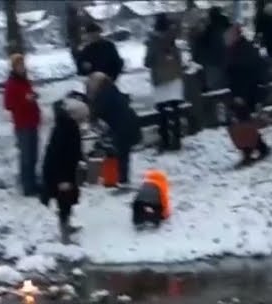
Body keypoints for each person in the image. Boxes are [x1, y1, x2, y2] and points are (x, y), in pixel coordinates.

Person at [40, 97, 88, 241]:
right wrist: (62, 179)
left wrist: (81, 158)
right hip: (60, 172)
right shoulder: (66, 128)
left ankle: (67, 225)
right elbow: (58, 155)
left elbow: (73, 149)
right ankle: (64, 230)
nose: (85, 120)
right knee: (64, 200)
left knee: (69, 198)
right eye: (83, 117)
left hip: (66, 169)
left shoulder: (68, 125)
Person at [225, 26, 271, 164]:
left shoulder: (243, 50)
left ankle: (252, 150)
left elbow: (246, 74)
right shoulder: (234, 50)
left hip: (247, 91)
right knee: (243, 122)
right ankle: (257, 149)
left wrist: (241, 95)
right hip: (240, 91)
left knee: (243, 122)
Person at [88, 72, 140, 188]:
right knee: (121, 152)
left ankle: (117, 179)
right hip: (127, 123)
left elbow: (97, 111)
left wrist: (92, 115)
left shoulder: (104, 94)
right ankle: (119, 178)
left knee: (116, 151)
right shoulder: (111, 90)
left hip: (121, 126)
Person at [3, 53, 42, 197]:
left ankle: (33, 182)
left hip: (32, 121)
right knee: (26, 156)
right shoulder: (11, 83)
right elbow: (8, 104)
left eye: (23, 64)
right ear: (14, 67)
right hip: (22, 123)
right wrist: (25, 100)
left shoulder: (25, 81)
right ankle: (27, 186)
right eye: (19, 65)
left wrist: (33, 97)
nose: (22, 67)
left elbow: (29, 95)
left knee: (33, 155)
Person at [145, 14, 184, 152]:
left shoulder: (153, 42)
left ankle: (165, 141)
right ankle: (177, 139)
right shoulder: (173, 40)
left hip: (160, 80)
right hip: (175, 78)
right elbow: (179, 59)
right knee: (175, 110)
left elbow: (148, 62)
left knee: (162, 112)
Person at [192, 7, 232, 91]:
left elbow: (200, 47)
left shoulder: (210, 30)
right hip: (229, 61)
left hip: (213, 63)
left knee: (215, 88)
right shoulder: (228, 27)